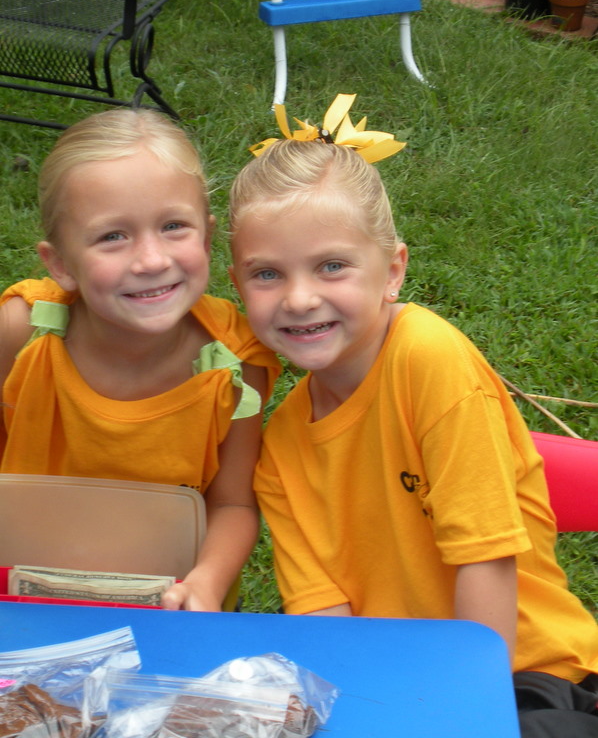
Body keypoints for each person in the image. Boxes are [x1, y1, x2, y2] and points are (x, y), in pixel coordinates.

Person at [229, 96, 598, 736]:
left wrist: (458, 714)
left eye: (332, 266)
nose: (299, 297)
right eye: (267, 274)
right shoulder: (279, 445)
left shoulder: (428, 360)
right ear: (238, 286)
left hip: (526, 673)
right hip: (399, 687)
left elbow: (485, 563)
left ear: (393, 269)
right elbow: (326, 618)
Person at [0, 109, 279, 613]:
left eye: (173, 226)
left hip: (172, 607)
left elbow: (234, 501)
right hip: (24, 597)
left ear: (207, 237)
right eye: (113, 236)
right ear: (61, 263)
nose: (151, 260)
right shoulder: (22, 333)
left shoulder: (234, 364)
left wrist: (208, 583)